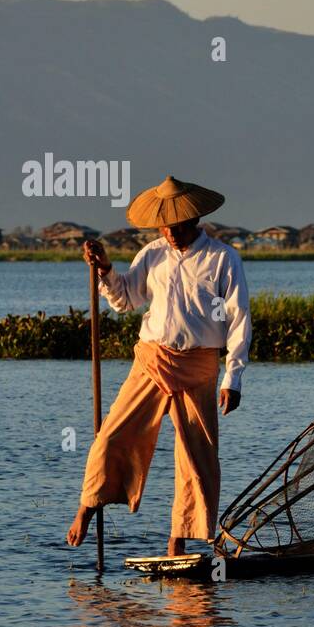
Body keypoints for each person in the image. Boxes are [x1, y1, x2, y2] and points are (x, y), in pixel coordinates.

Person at [65, 176, 250, 556]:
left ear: (193, 221)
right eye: (164, 227)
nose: (170, 233)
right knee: (112, 434)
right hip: (152, 358)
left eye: (176, 226)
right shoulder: (153, 254)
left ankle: (177, 541)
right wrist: (104, 270)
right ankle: (87, 506)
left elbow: (238, 319)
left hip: (198, 365)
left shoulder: (222, 258)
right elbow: (125, 299)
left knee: (196, 457)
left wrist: (233, 377)